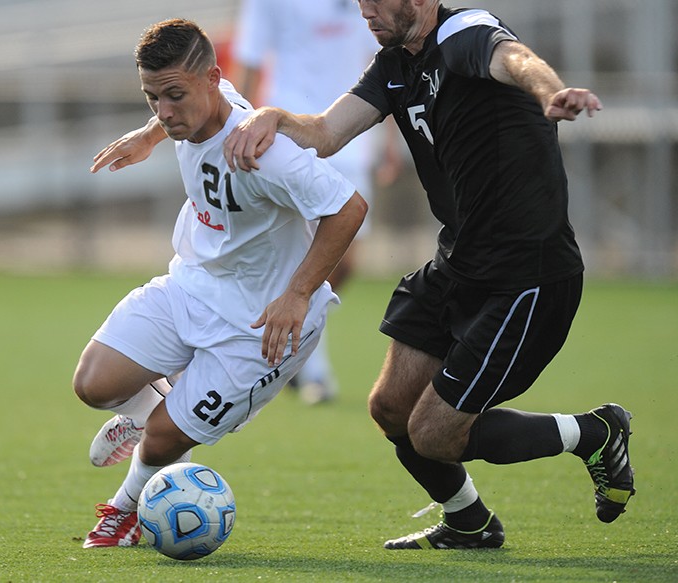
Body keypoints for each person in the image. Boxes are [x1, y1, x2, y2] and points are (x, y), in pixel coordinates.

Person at [221, 0, 634, 549]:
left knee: (435, 433)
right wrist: (273, 117)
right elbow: (323, 132)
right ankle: (469, 522)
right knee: (390, 408)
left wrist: (549, 91)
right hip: (458, 262)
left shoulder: (464, 33)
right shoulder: (394, 64)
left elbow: (516, 58)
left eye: (375, 0)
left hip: (526, 276)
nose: (363, 10)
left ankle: (595, 432)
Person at [75, 18, 367, 548]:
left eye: (174, 96)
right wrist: (147, 137)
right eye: (151, 98)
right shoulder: (197, 103)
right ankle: (150, 417)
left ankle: (125, 511)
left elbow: (349, 209)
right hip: (193, 284)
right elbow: (173, 111)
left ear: (212, 79)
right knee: (94, 383)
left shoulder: (264, 151)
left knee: (164, 440)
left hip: (260, 326)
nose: (164, 111)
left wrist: (297, 294)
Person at [231, 0, 401, 404]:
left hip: (354, 135)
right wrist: (237, 133)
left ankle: (300, 348)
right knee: (305, 257)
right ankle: (312, 370)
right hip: (293, 134)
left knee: (346, 262)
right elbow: (250, 63)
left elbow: (385, 62)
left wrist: (390, 139)